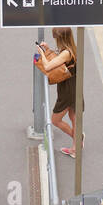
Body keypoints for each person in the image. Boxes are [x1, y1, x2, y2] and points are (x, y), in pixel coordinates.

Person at [35, 27, 82, 157]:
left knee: (55, 120)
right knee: (74, 118)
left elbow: (48, 66)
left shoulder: (66, 52)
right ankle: (75, 148)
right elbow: (60, 63)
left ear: (61, 38)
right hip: (74, 86)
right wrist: (49, 50)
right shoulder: (71, 48)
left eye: (56, 37)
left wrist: (42, 54)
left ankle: (78, 140)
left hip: (68, 89)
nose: (55, 39)